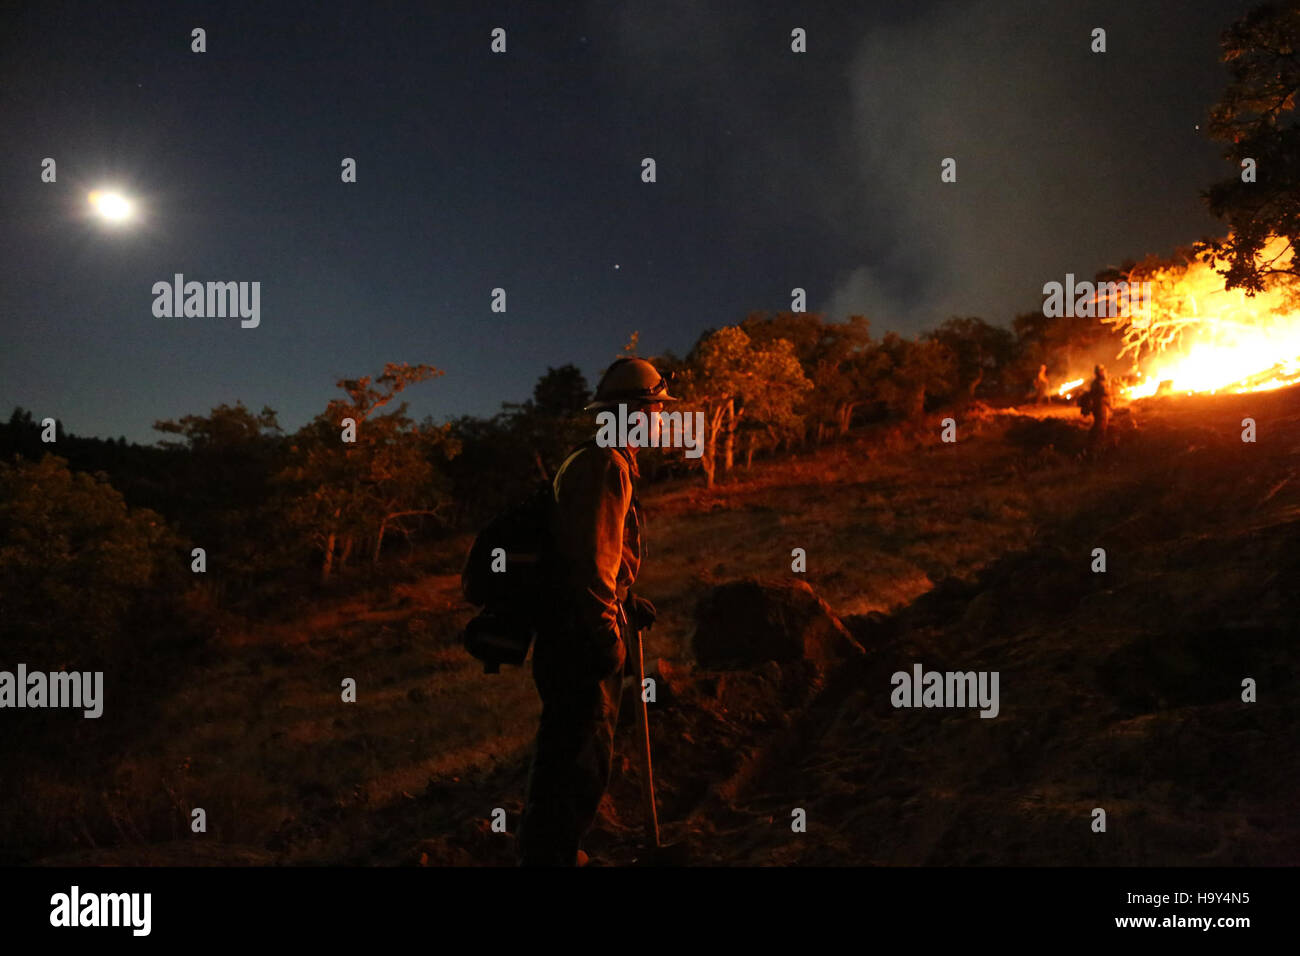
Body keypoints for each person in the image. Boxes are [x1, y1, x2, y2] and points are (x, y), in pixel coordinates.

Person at [516, 356, 673, 866]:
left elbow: (596, 554)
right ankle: (550, 859)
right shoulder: (606, 463)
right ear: (633, 411)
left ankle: (554, 854)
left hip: (571, 627)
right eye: (655, 409)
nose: (660, 419)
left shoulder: (603, 458)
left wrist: (628, 597)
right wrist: (607, 631)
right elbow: (590, 563)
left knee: (569, 752)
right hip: (578, 635)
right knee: (577, 760)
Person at [1086, 364, 1112, 444]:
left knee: (1099, 423)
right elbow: (1105, 393)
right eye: (1103, 371)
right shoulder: (1099, 383)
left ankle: (1092, 440)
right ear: (1100, 372)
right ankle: (1097, 443)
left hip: (1100, 406)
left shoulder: (1097, 382)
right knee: (1101, 425)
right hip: (1100, 407)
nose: (1104, 372)